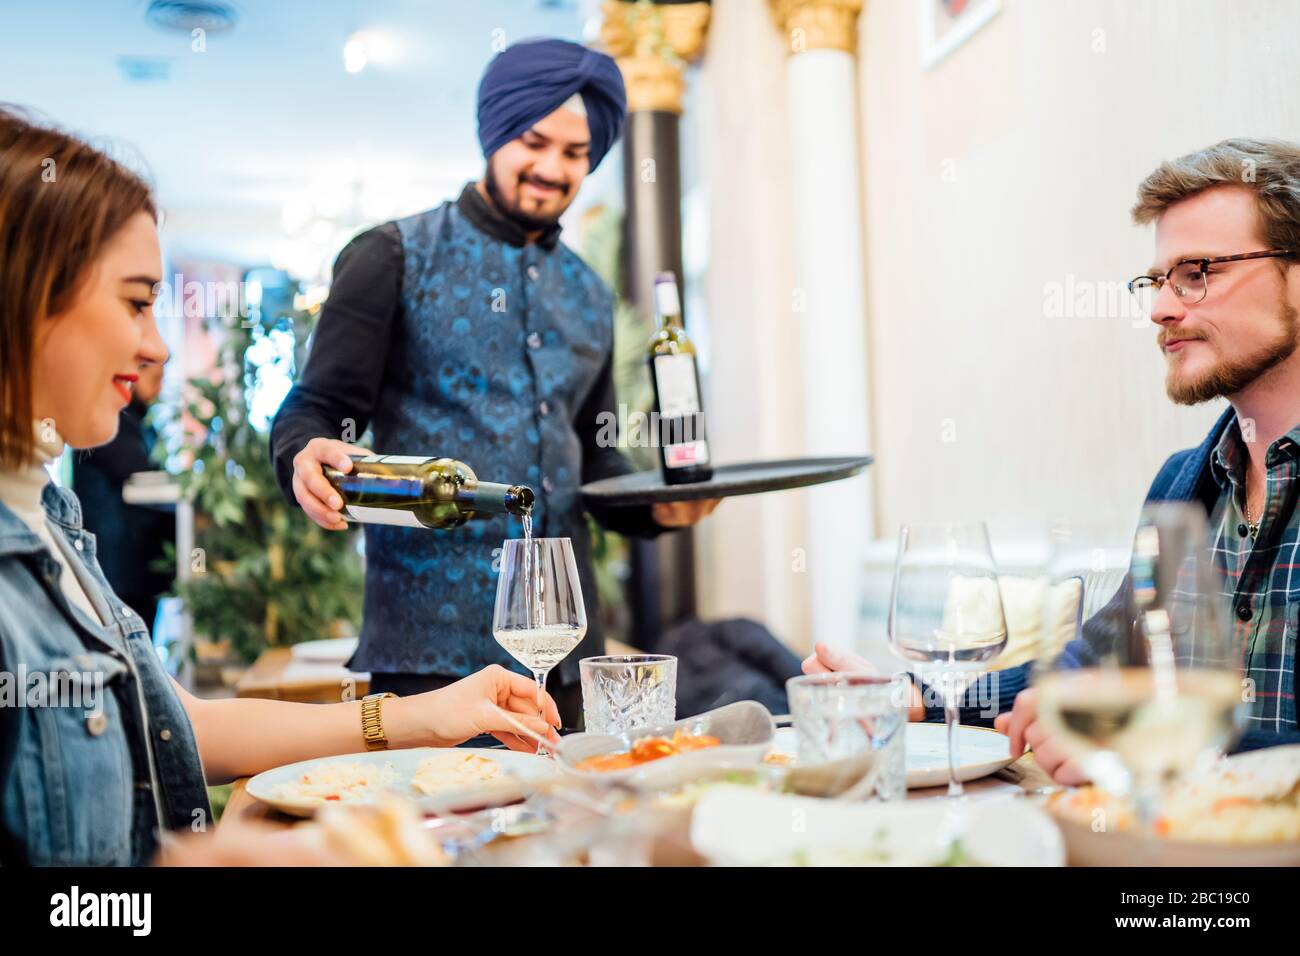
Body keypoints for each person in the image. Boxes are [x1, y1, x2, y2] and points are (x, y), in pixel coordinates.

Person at [0, 105, 560, 866]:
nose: (158, 345)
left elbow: (176, 725)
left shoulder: (48, 516)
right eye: (136, 301)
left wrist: (428, 717)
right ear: (24, 293)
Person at [808, 138, 1300, 783]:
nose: (1159, 308)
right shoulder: (1185, 482)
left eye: (1199, 272)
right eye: (1158, 280)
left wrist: (1156, 743)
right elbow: (1091, 669)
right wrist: (919, 696)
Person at [270, 38, 717, 724]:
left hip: (567, 649)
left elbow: (595, 461)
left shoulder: (591, 296)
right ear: (497, 131)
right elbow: (316, 409)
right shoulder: (391, 255)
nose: (551, 169)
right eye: (534, 142)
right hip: (430, 662)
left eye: (574, 154)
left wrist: (661, 512)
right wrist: (303, 450)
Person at [71, 360, 172, 630]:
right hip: (116, 566)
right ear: (134, 373)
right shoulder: (109, 418)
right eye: (155, 378)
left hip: (137, 566)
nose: (159, 387)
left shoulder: (140, 420)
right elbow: (136, 469)